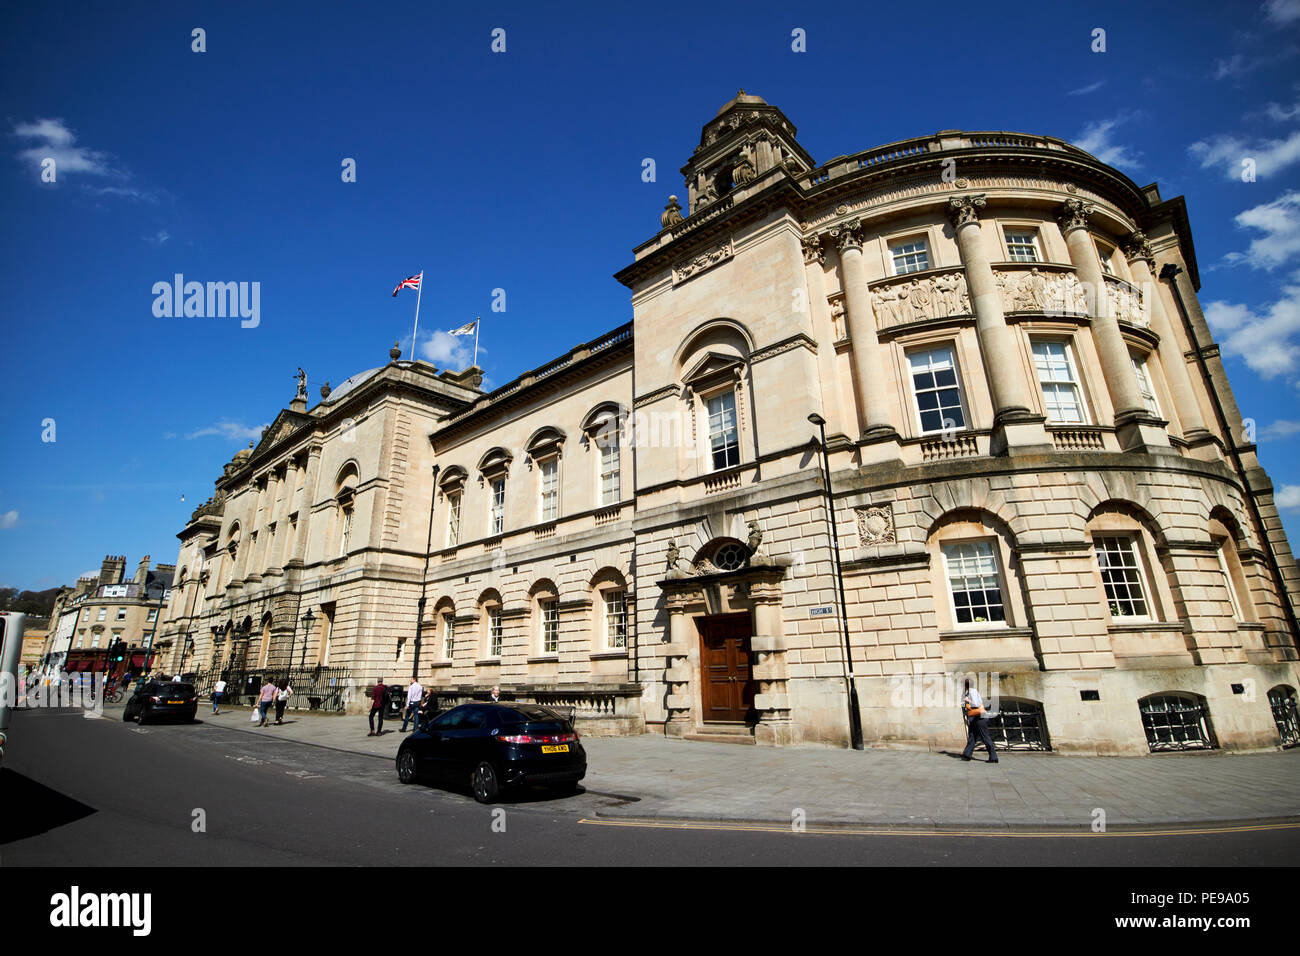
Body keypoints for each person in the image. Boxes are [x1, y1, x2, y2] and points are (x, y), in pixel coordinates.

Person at [961, 679, 999, 764]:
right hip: (974, 717)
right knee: (972, 736)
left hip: (979, 718)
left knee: (985, 737)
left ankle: (993, 757)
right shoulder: (969, 692)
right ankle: (967, 754)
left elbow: (976, 704)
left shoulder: (972, 692)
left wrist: (967, 700)